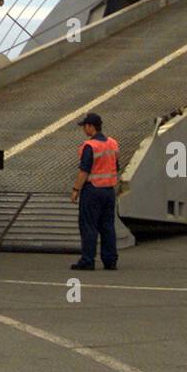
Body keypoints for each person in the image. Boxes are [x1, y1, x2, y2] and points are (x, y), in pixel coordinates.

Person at [70, 112, 118, 271]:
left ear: (90, 127)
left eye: (85, 126)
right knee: (108, 226)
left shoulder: (90, 146)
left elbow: (84, 171)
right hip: (109, 191)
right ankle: (110, 261)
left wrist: (76, 189)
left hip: (93, 191)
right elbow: (115, 167)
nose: (84, 129)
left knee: (89, 226)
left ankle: (88, 260)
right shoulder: (113, 143)